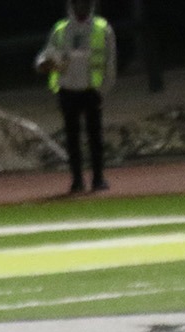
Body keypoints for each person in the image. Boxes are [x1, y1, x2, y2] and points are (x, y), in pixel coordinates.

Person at [36, 0, 117, 194]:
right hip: (67, 90)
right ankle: (77, 180)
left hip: (91, 90)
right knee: (72, 138)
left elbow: (110, 63)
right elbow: (45, 57)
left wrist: (102, 91)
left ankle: (98, 178)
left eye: (85, 3)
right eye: (77, 3)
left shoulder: (102, 29)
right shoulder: (61, 29)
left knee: (95, 136)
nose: (81, 7)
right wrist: (45, 65)